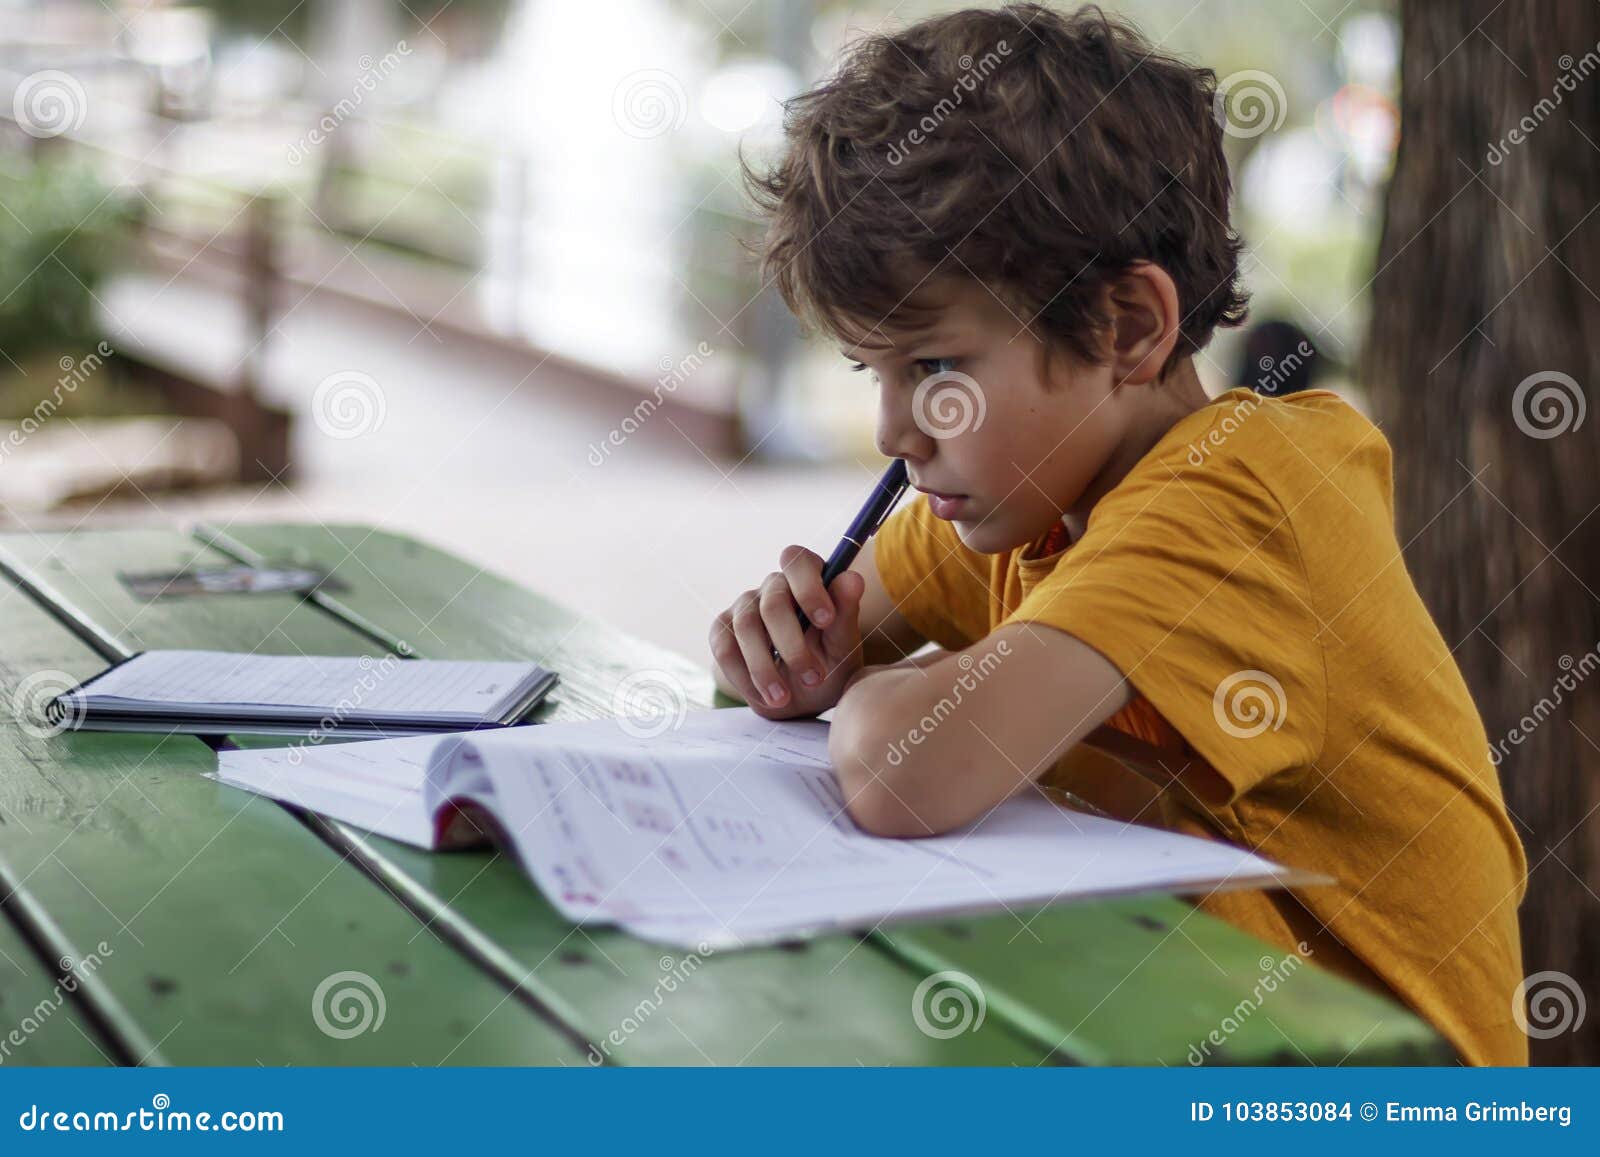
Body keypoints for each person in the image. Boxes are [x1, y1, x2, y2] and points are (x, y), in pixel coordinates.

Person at [708, 3, 1526, 1065]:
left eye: (938, 369)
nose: (894, 432)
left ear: (1127, 328)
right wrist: (789, 654)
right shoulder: (1018, 499)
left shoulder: (1239, 491)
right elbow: (809, 658)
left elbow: (906, 769)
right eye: (876, 371)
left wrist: (870, 697)